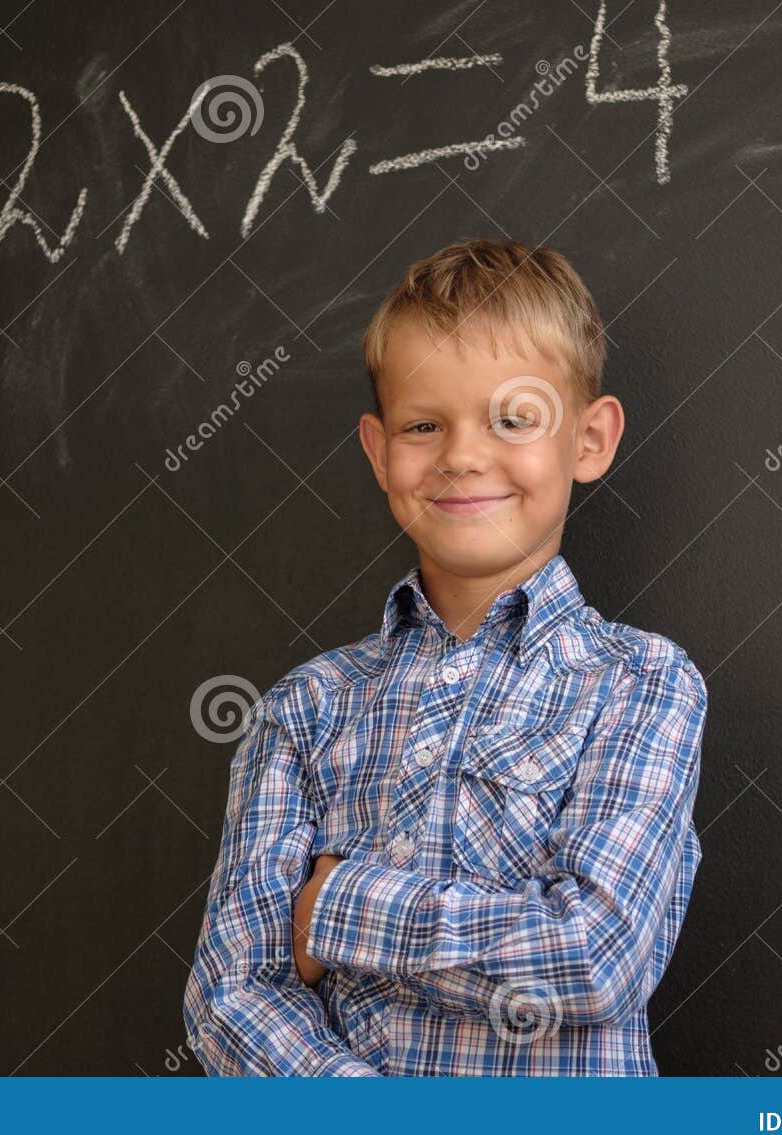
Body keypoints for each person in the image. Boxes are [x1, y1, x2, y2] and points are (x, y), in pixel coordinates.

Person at [181, 237, 708, 1075]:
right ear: (379, 449)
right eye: (424, 424)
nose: (463, 454)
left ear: (590, 439)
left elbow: (598, 954)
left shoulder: (641, 683)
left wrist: (336, 904)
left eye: (514, 417)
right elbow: (231, 997)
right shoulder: (307, 707)